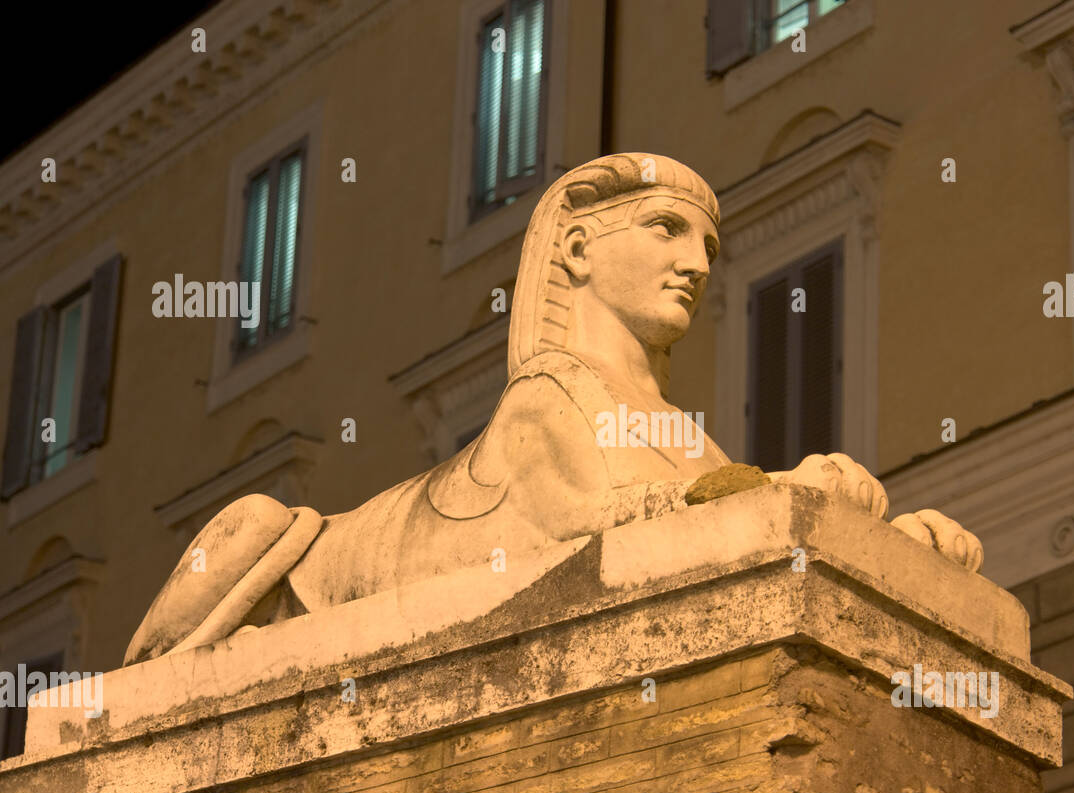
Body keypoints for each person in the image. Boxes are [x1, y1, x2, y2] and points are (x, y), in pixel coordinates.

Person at [124, 153, 981, 666]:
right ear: (577, 247)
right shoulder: (545, 399)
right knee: (252, 523)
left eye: (709, 246)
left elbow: (734, 523)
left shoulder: (684, 438)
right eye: (665, 229)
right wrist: (781, 493)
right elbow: (592, 528)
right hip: (309, 574)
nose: (697, 263)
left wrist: (890, 548)